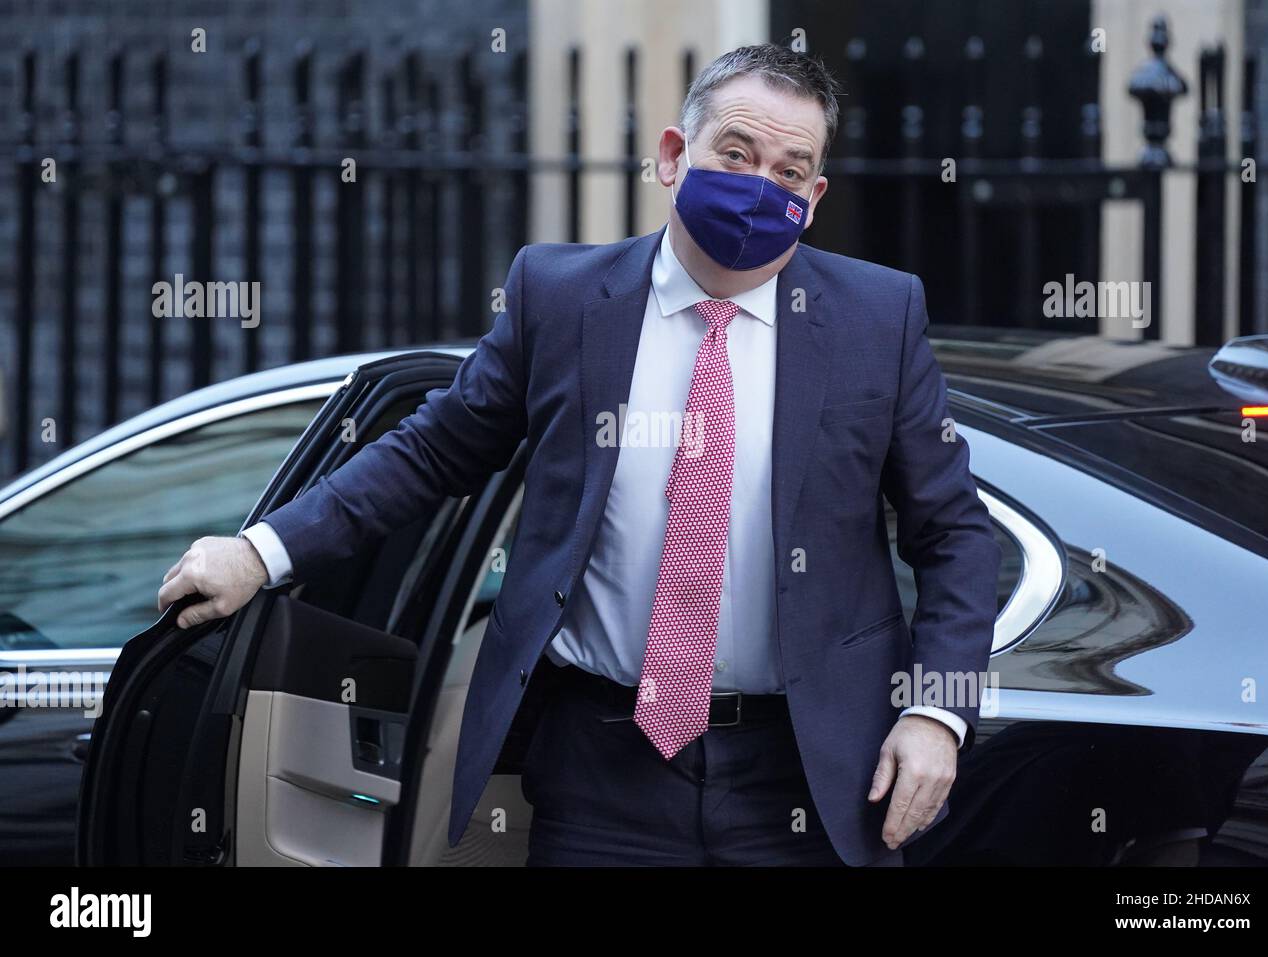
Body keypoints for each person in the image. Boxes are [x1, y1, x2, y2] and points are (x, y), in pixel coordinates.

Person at [158, 43, 1001, 867]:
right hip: (604, 768)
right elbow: (431, 452)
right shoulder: (559, 299)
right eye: (735, 154)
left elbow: (955, 533)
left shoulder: (876, 318)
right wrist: (259, 551)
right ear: (673, 156)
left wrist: (936, 709)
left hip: (813, 773)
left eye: (788, 171)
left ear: (814, 197)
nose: (758, 187)